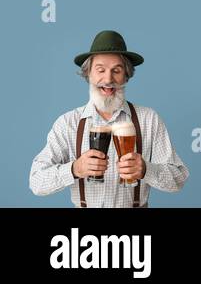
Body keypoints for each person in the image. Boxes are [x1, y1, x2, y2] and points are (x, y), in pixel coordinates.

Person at [30, 30, 188, 207]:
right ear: (88, 74)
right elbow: (36, 182)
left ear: (126, 75)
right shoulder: (68, 123)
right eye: (100, 70)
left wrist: (146, 169)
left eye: (116, 70)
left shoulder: (149, 119)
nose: (108, 79)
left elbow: (178, 179)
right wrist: (74, 169)